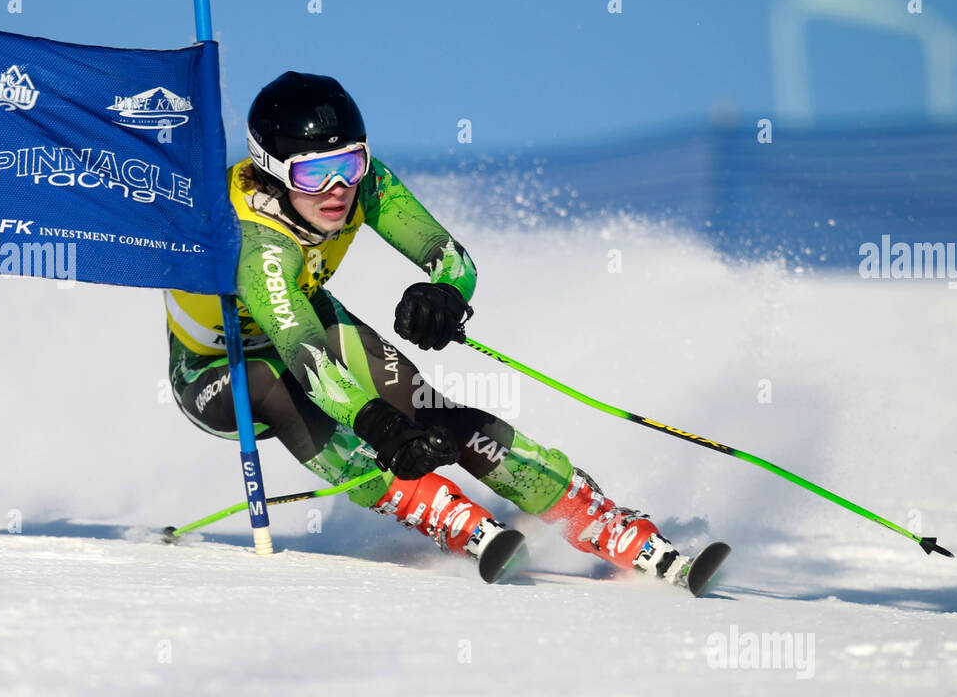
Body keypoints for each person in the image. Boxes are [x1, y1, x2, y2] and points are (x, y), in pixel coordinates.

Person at [166, 71, 694, 584]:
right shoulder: (257, 244)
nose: (336, 189)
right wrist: (375, 425)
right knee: (281, 390)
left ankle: (595, 518)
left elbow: (451, 257)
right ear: (272, 170)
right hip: (215, 367)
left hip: (308, 318)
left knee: (424, 408)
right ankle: (442, 513)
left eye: (349, 163)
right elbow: (307, 358)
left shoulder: (364, 185)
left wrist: (444, 293)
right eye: (312, 173)